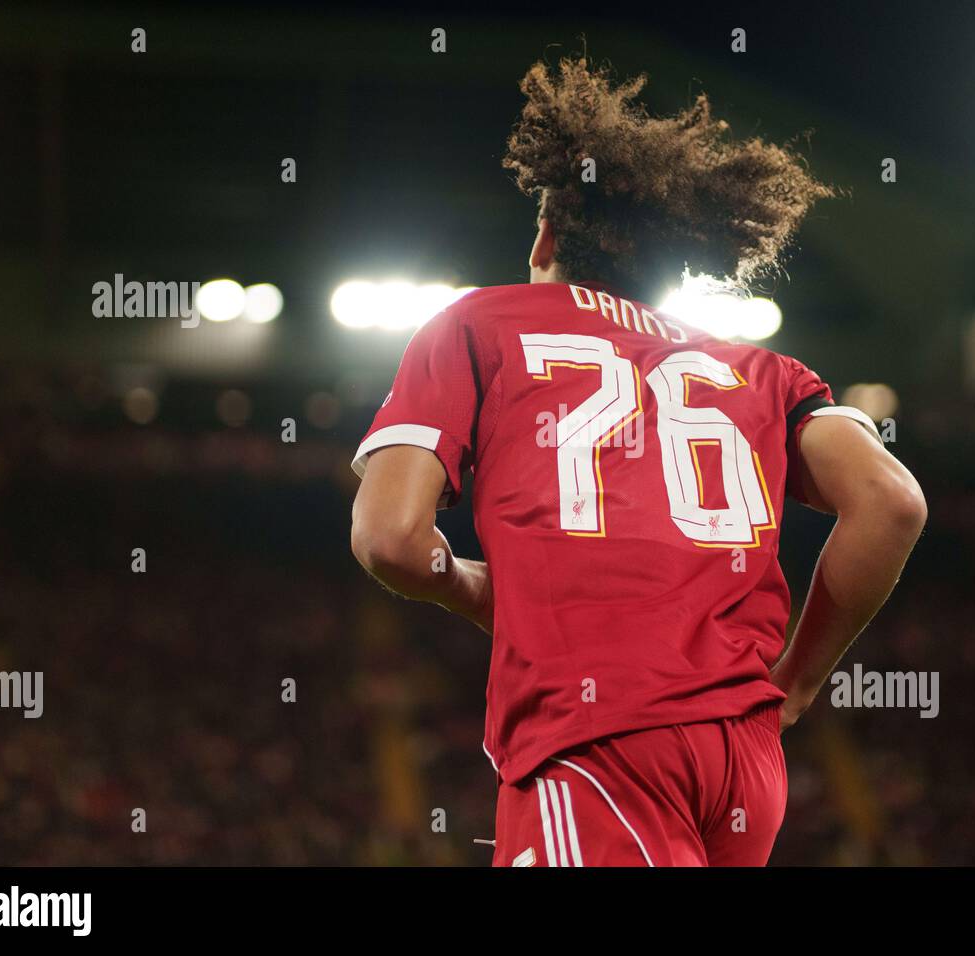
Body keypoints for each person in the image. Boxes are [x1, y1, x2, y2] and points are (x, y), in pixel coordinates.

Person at [350, 57, 925, 866]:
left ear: (547, 234)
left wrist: (475, 589)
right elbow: (893, 502)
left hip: (600, 740)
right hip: (745, 764)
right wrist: (794, 681)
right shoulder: (768, 372)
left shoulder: (479, 324)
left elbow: (390, 539)